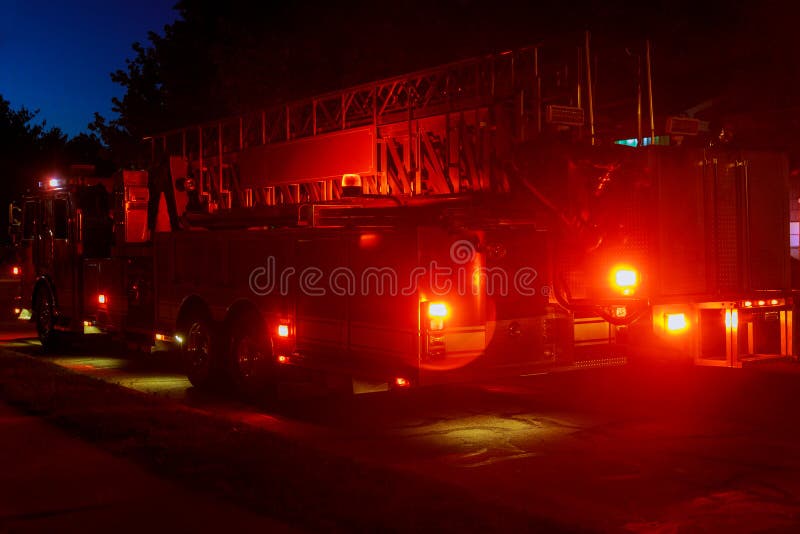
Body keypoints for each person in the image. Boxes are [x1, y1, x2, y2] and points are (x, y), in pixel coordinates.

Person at [146, 152, 181, 235]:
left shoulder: (155, 168)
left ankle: (151, 228)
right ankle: (174, 226)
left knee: (154, 209)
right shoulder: (165, 168)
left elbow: (153, 178)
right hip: (164, 187)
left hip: (159, 188)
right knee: (171, 207)